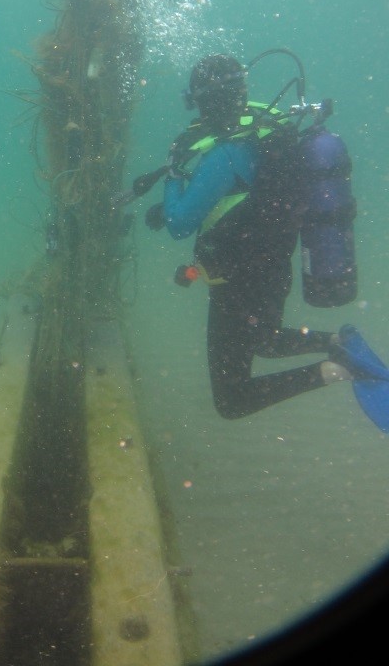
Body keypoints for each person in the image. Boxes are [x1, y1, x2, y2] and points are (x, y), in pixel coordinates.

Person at [135, 53, 371, 420]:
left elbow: (180, 223)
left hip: (235, 284)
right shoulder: (267, 126)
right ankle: (336, 344)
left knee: (232, 400)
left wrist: (172, 173)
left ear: (201, 100)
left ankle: (337, 370)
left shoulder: (226, 152)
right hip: (273, 268)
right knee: (267, 339)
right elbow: (241, 196)